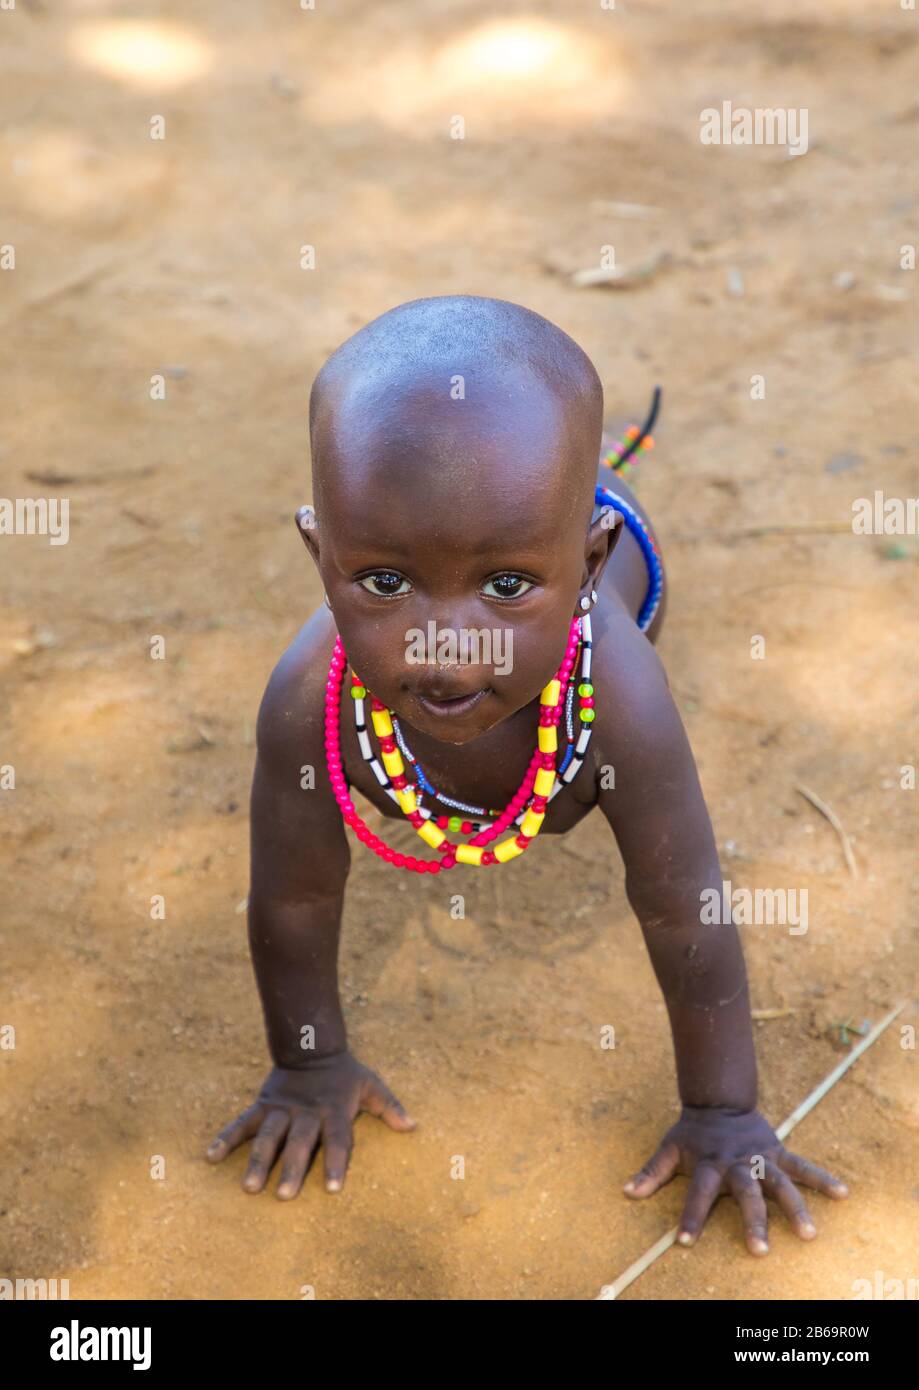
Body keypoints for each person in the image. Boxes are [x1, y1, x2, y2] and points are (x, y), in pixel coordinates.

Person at [206, 296, 848, 1256]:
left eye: (505, 588)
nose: (444, 646)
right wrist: (309, 1066)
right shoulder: (311, 703)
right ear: (319, 556)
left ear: (587, 563)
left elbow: (683, 906)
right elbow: (293, 897)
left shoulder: (619, 698)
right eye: (382, 581)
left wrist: (723, 1113)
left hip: (623, 567)